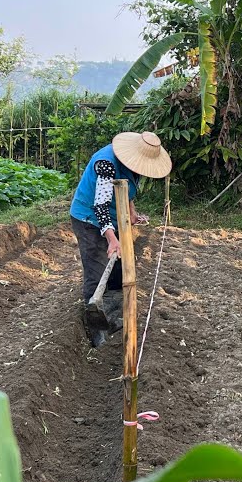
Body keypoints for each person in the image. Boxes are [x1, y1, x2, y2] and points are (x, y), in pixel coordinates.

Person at [69, 130, 172, 346]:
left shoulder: (133, 164)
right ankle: (96, 335)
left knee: (119, 271)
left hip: (114, 218)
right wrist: (111, 239)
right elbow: (100, 206)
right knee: (97, 272)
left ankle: (115, 317)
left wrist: (132, 214)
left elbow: (126, 189)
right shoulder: (106, 163)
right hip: (89, 218)